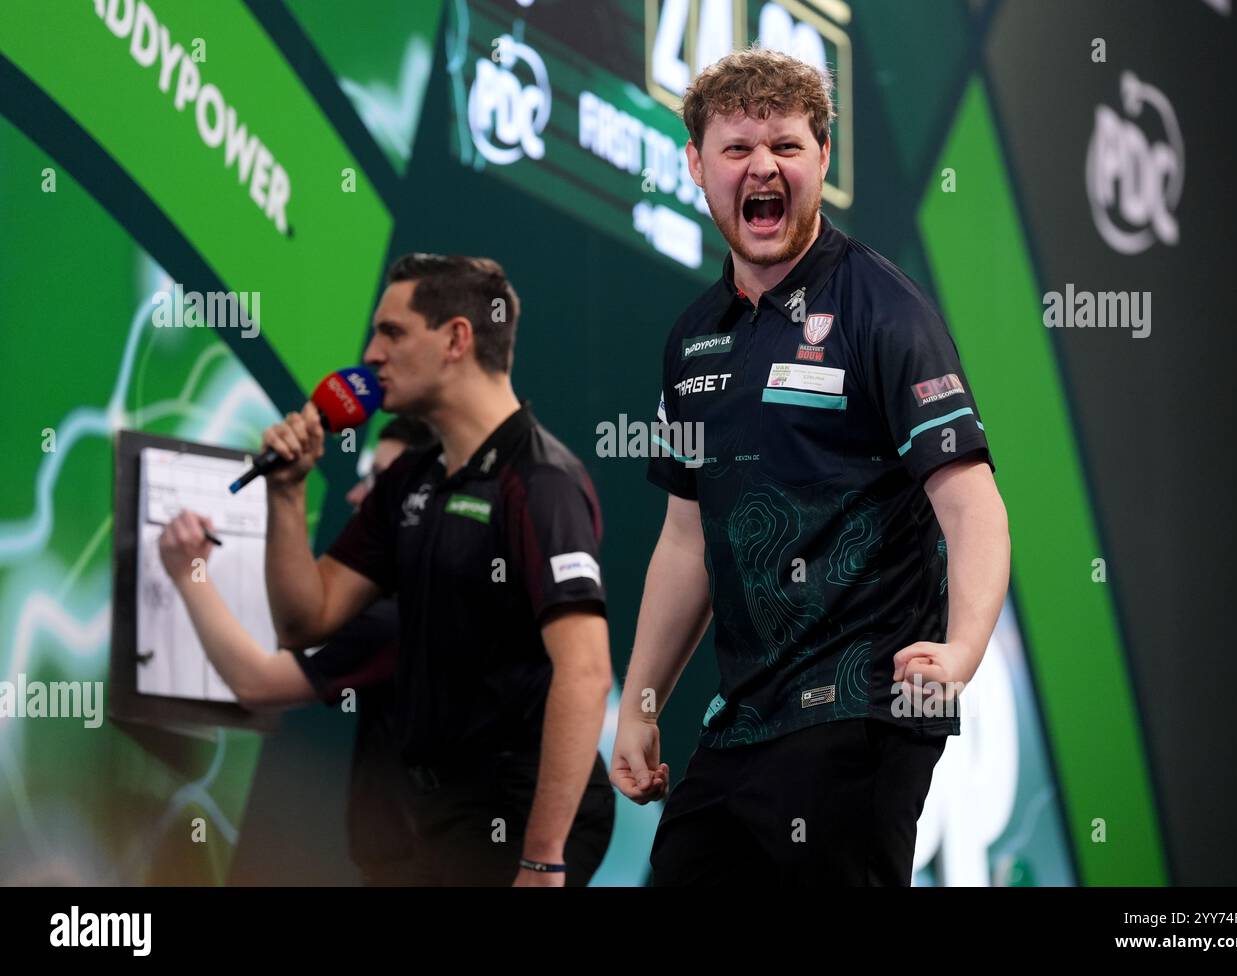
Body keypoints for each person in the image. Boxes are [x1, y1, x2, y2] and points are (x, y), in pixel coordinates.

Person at [610, 48, 1011, 886]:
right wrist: (643, 702)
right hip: (742, 719)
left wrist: (963, 651)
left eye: (788, 147)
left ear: (822, 160)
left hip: (864, 709)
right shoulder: (691, 340)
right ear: (696, 165)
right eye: (737, 148)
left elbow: (971, 503)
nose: (764, 166)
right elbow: (686, 538)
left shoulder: (885, 310)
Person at [258, 253, 614, 886]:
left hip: (519, 809)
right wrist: (285, 493)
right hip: (434, 806)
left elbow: (586, 673)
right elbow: (302, 620)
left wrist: (540, 859)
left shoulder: (541, 480)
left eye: (391, 332)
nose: (368, 354)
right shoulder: (408, 481)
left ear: (456, 339)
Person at [158, 416, 433, 884]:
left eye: (380, 482)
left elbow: (256, 681)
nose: (357, 496)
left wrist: (191, 573)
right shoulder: (422, 598)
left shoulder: (398, 615)